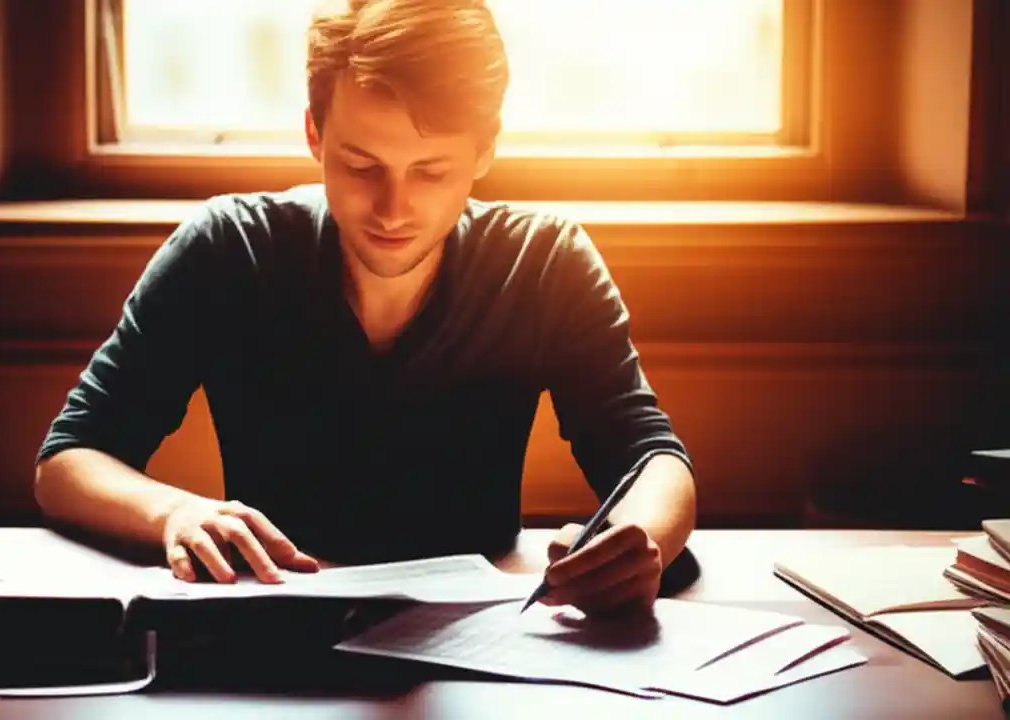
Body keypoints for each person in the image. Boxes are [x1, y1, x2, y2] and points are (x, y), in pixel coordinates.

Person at [35, 0, 695, 615]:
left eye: (431, 171)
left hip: (479, 641)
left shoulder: (545, 261)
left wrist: (641, 540)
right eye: (360, 165)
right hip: (271, 630)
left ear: (486, 149)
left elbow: (651, 456)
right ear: (314, 134)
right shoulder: (227, 249)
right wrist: (171, 513)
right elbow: (68, 460)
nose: (393, 210)